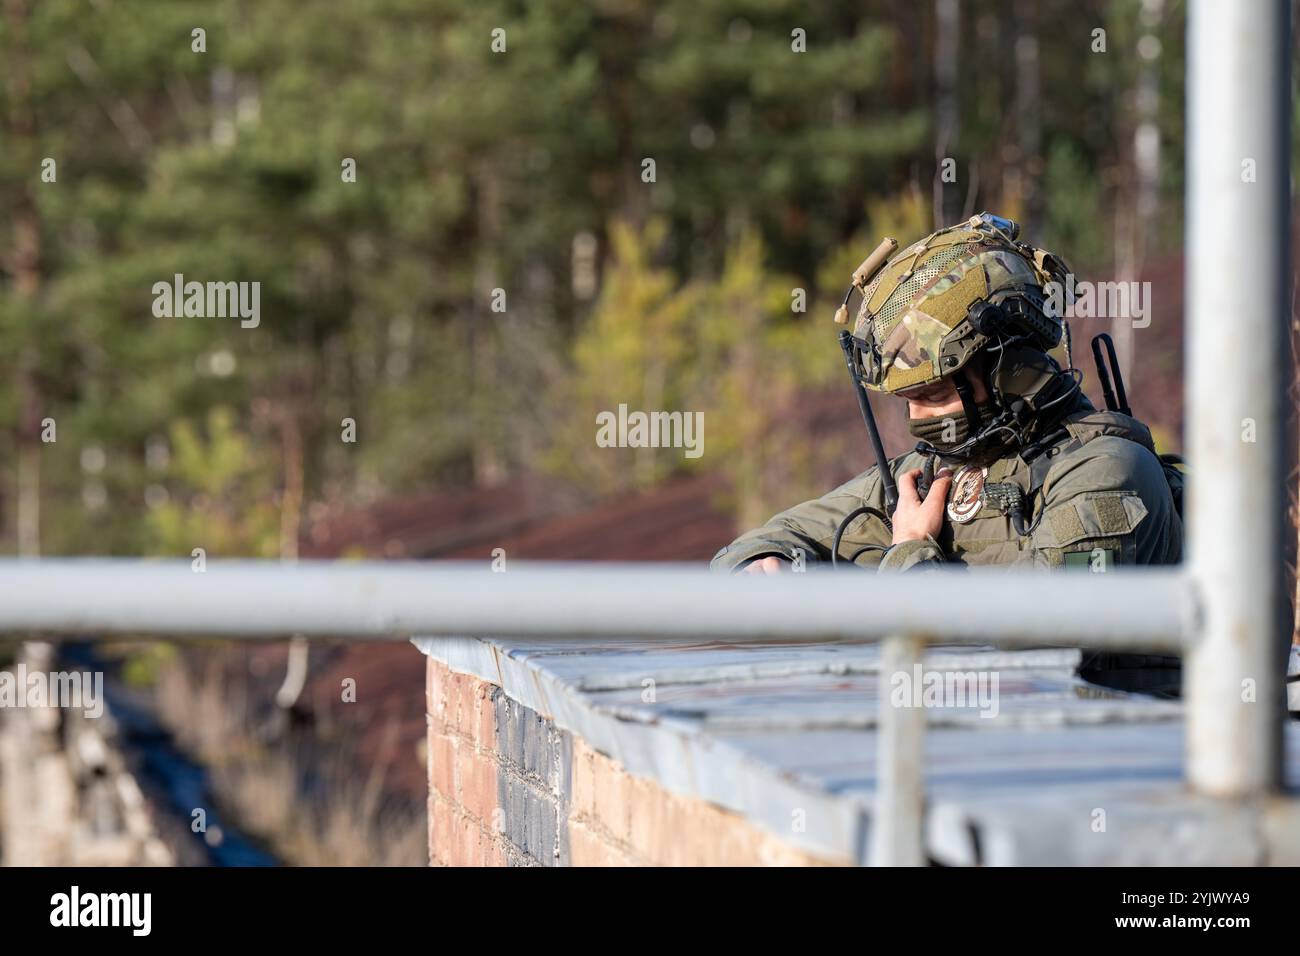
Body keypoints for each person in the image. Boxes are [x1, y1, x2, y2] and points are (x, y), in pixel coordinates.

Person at [709, 213, 1184, 694]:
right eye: (908, 401)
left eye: (934, 395)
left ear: (1009, 367)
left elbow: (1041, 639)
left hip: (1113, 752)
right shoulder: (928, 477)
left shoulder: (1106, 470)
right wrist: (767, 563)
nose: (919, 419)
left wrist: (910, 557)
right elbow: (764, 543)